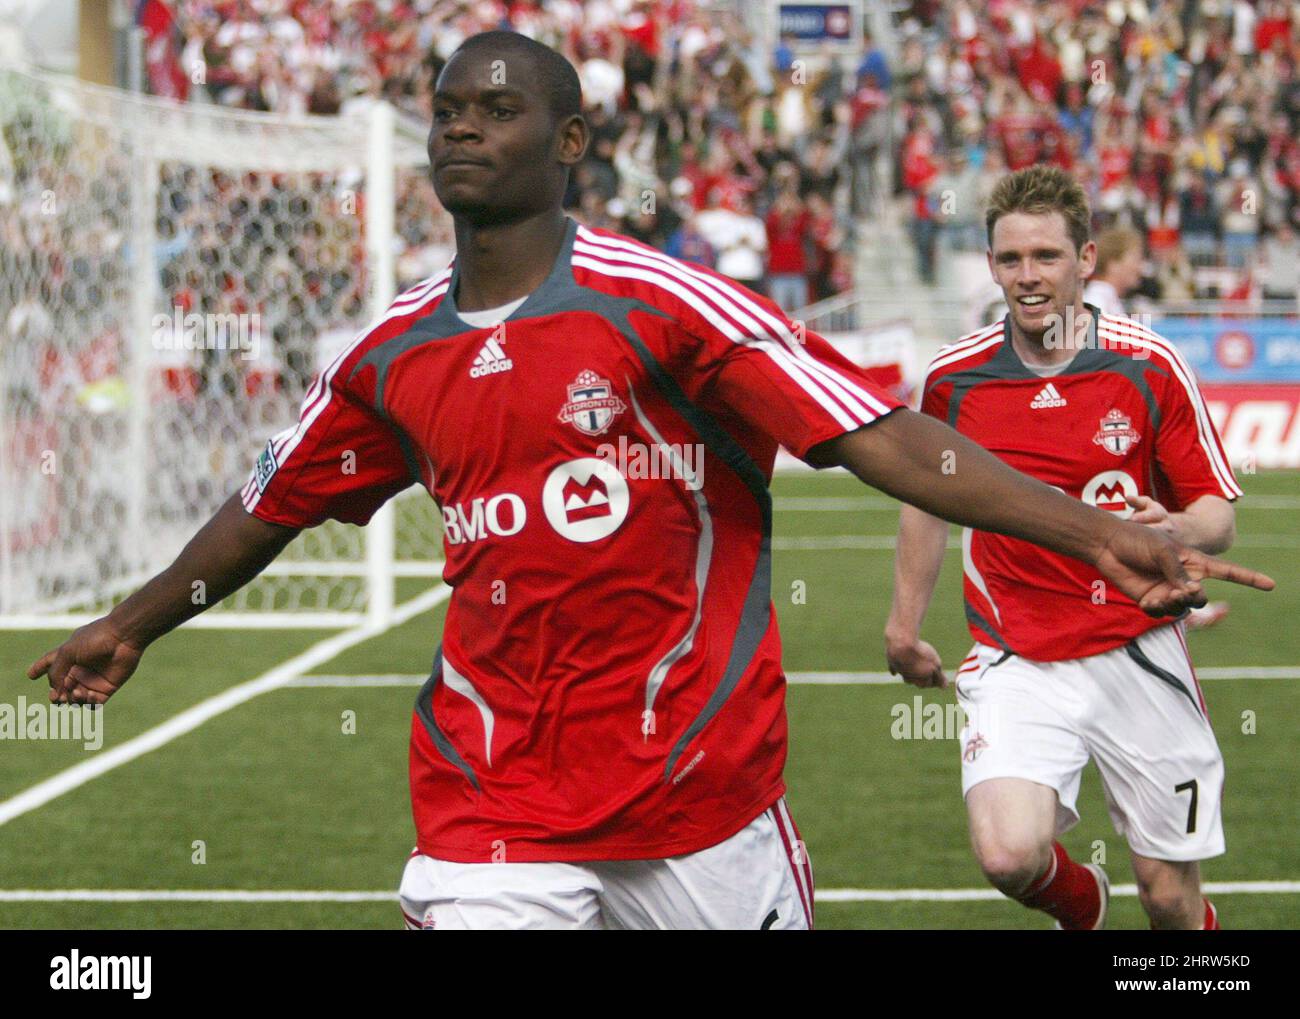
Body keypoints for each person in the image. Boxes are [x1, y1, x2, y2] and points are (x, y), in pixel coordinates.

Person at [31, 35, 1272, 931]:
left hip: (702, 795)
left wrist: (1087, 531)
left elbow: (878, 434)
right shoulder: (392, 351)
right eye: (448, 106)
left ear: (569, 142)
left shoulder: (667, 303)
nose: (461, 124)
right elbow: (272, 503)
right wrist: (130, 623)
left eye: (498, 107)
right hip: (489, 794)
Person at [887, 166, 1250, 931]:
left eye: (1046, 256)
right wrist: (903, 621)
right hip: (1015, 652)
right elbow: (926, 500)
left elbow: (1218, 513)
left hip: (1137, 647)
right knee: (1008, 853)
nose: (1028, 276)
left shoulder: (1148, 366)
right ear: (990, 265)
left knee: (1168, 895)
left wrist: (1178, 528)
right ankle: (1081, 901)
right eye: (1011, 259)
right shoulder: (955, 379)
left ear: (1086, 259)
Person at [1085, 227, 1230, 629]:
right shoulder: (1098, 301)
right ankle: (1171, 601)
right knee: (1149, 512)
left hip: (1119, 421)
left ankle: (1178, 601)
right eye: (1134, 257)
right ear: (1113, 260)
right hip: (1116, 427)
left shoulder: (1106, 300)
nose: (1140, 266)